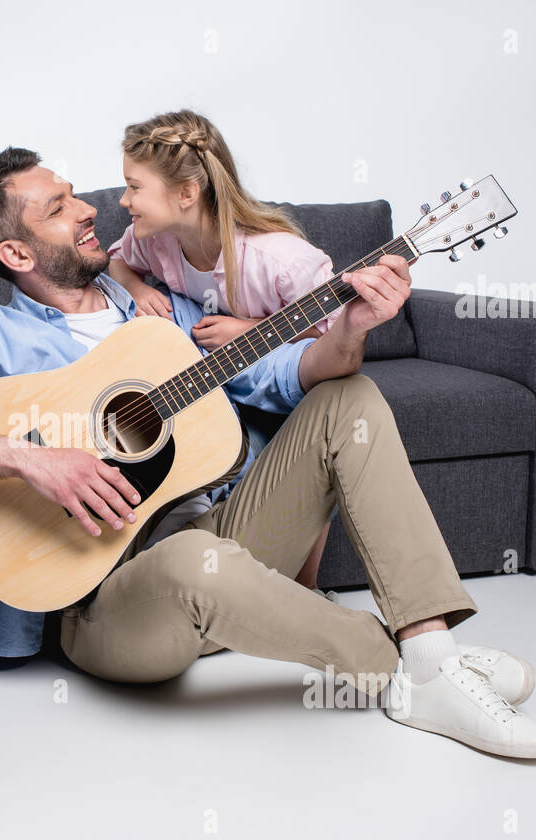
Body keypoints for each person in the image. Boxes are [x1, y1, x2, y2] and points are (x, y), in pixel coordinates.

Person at [0, 146, 536, 760]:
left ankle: (431, 651)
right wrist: (31, 459)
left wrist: (351, 327)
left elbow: (289, 377)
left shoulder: (158, 314)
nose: (88, 208)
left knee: (353, 403)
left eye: (74, 194)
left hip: (226, 538)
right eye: (59, 207)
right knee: (192, 563)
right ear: (17, 254)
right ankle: (408, 667)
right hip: (106, 606)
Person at [107, 109, 339, 591]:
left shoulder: (280, 260)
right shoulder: (158, 241)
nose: (124, 200)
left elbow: (333, 341)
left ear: (187, 194)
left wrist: (252, 328)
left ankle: (307, 589)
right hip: (219, 383)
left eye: (134, 187)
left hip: (286, 386)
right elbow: (116, 261)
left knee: (304, 453)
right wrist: (137, 288)